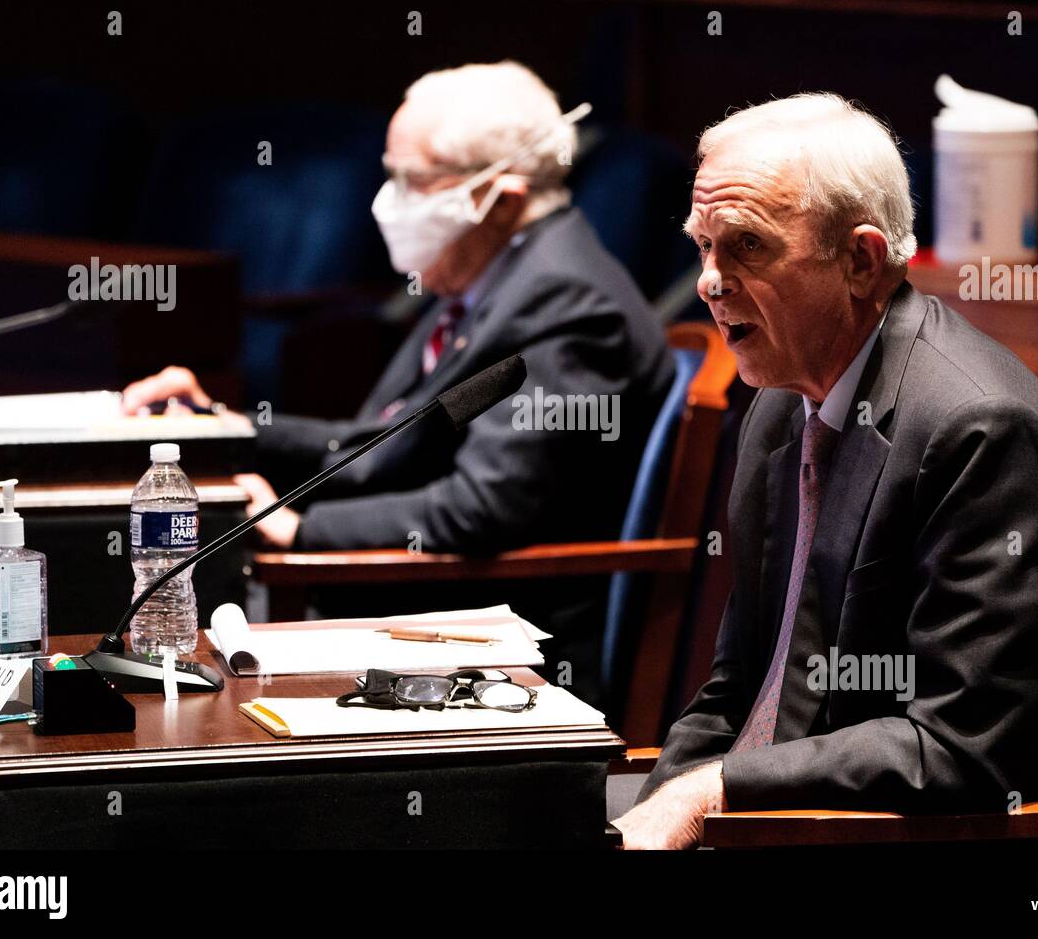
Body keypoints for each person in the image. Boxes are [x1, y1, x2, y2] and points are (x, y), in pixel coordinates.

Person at [613, 93, 1038, 849]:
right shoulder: (779, 405)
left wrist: (720, 787)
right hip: (789, 826)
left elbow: (961, 749)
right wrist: (636, 822)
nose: (711, 281)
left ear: (860, 259)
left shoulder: (981, 431)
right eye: (703, 246)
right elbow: (739, 692)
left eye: (748, 247)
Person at [122, 62, 674, 707]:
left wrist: (302, 531)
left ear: (504, 198)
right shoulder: (487, 277)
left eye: (413, 180)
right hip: (420, 612)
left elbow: (483, 508)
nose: (388, 200)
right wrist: (221, 424)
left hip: (500, 650)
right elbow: (382, 441)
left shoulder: (567, 302)